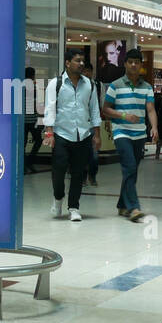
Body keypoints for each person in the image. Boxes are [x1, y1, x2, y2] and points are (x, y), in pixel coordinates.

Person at [43, 47, 100, 222]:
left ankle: (74, 207)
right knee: (58, 172)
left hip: (83, 134)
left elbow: (94, 110)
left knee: (78, 173)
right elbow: (50, 108)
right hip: (61, 134)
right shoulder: (56, 83)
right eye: (77, 60)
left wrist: (96, 135)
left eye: (82, 61)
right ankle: (58, 197)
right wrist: (49, 132)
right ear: (67, 63)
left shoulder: (90, 84)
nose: (81, 64)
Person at [103, 48, 158, 222]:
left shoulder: (147, 87)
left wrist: (154, 128)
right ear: (125, 64)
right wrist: (124, 116)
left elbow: (150, 109)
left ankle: (121, 205)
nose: (134, 65)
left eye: (137, 62)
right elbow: (106, 109)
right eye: (130, 62)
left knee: (131, 170)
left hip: (139, 134)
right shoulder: (115, 85)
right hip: (121, 132)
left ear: (141, 65)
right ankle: (134, 208)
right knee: (130, 167)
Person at [23, 67, 43, 174]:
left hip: (23, 120)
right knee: (39, 140)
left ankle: (24, 164)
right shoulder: (34, 87)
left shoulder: (20, 86)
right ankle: (29, 162)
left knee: (23, 143)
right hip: (32, 120)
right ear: (33, 75)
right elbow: (37, 104)